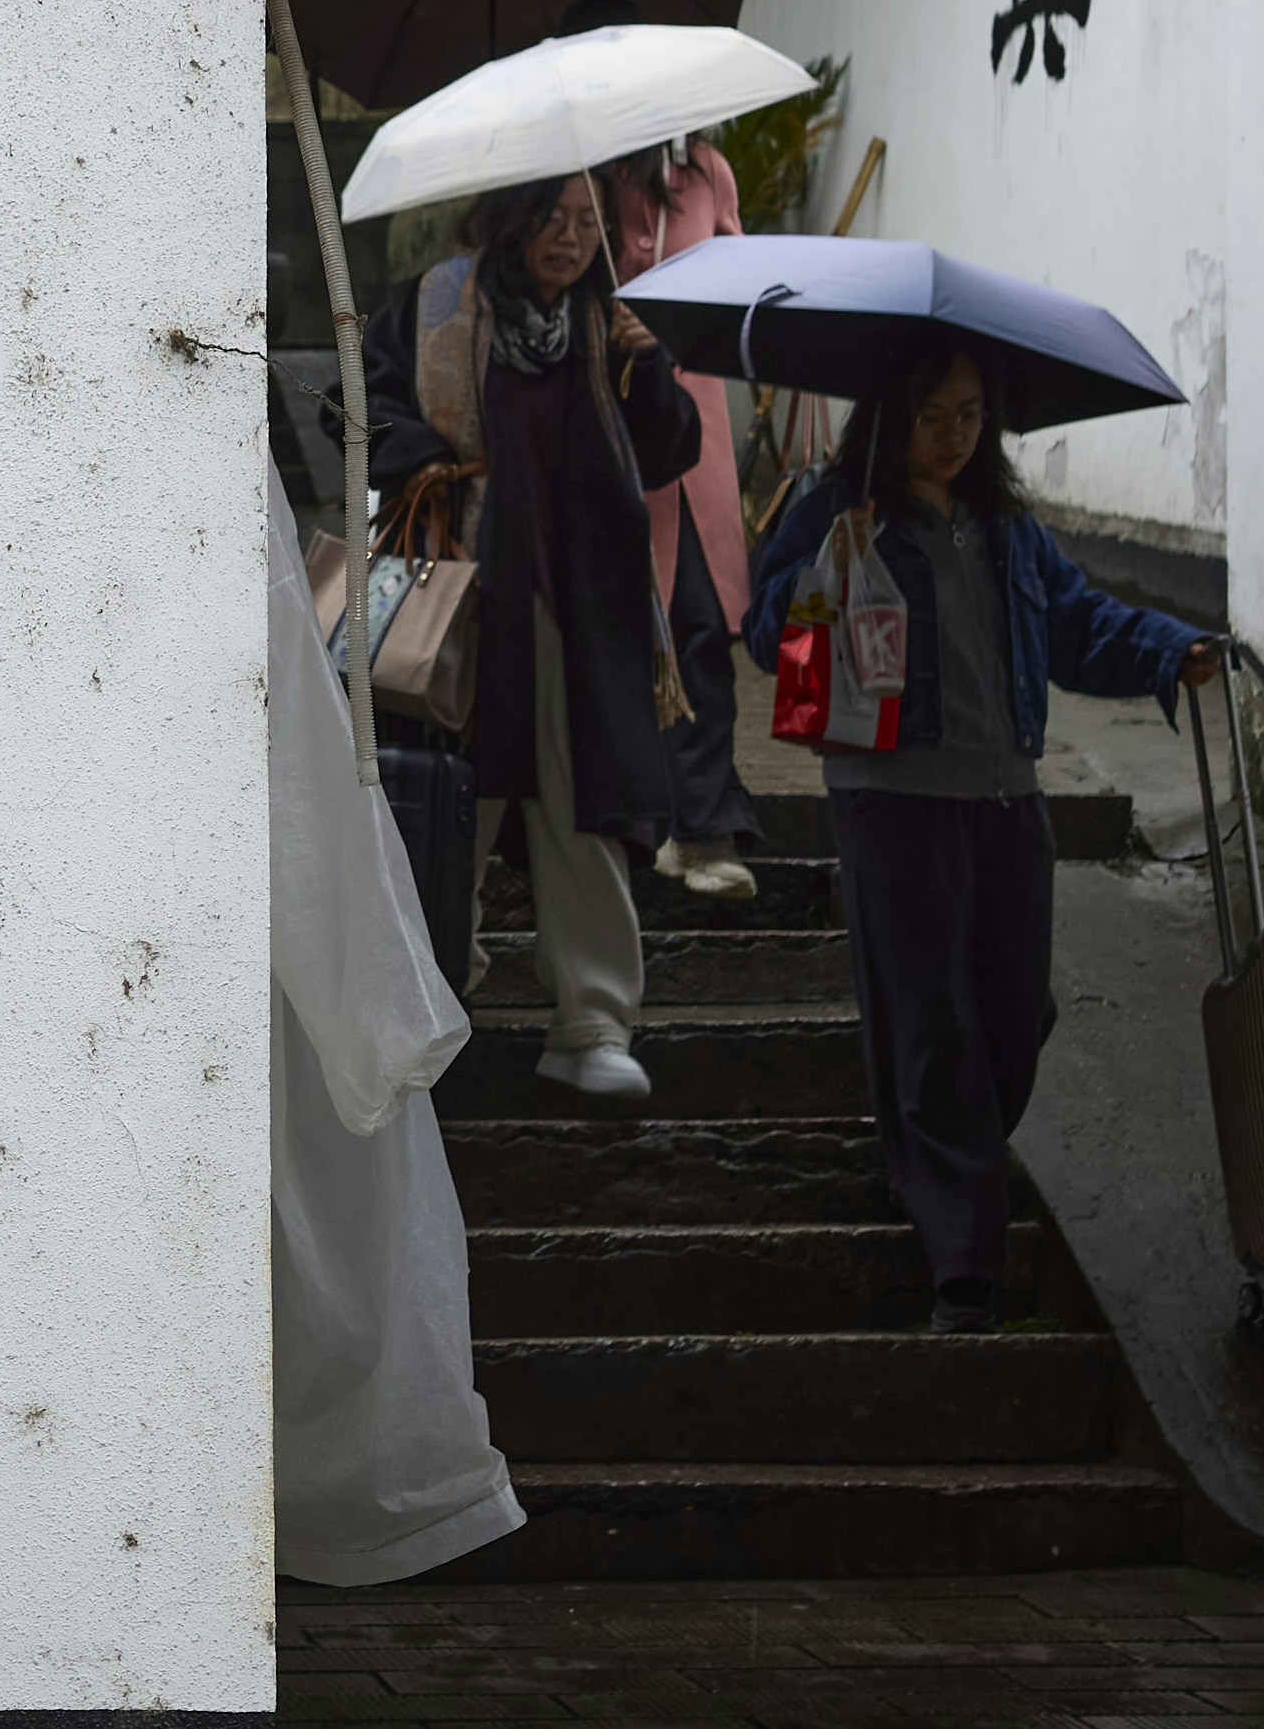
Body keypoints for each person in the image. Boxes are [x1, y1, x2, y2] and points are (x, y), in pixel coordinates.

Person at [740, 325, 1211, 1331]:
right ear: (891, 417)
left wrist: (1174, 647)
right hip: (894, 802)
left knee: (1011, 1014)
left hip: (1008, 803)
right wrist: (827, 567)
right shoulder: (840, 506)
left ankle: (928, 1164)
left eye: (968, 414)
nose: (951, 434)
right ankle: (965, 1262)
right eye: (929, 414)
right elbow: (765, 632)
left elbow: (1081, 622)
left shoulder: (1007, 529)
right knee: (934, 1025)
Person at [429, 164, 710, 1102]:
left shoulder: (603, 326)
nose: (570, 235)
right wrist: (432, 464)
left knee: (581, 808)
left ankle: (590, 1021)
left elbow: (670, 450)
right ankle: (427, 1004)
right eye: (552, 216)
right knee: (442, 808)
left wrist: (649, 367)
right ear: (510, 219)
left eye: (585, 220)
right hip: (466, 606)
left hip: (578, 616)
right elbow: (380, 413)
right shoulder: (446, 306)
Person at [594, 126, 764, 902]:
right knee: (610, 634)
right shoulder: (573, 174)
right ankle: (627, 828)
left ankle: (701, 830)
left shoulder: (706, 171)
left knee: (695, 622)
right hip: (598, 430)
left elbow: (737, 282)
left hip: (692, 432)